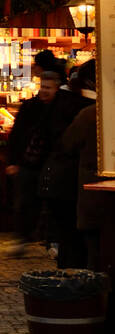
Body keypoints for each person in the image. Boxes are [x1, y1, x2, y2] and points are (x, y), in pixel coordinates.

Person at [5, 52, 80, 255]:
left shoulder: (64, 108)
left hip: (52, 162)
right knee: (25, 202)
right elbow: (17, 134)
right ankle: (23, 238)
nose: (44, 91)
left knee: (53, 203)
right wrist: (13, 161)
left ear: (57, 89)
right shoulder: (31, 107)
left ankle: (53, 241)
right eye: (42, 87)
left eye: (48, 88)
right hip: (29, 162)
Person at [60, 71, 109, 271]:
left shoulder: (90, 114)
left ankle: (96, 293)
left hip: (93, 190)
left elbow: (68, 143)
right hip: (96, 191)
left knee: (95, 250)